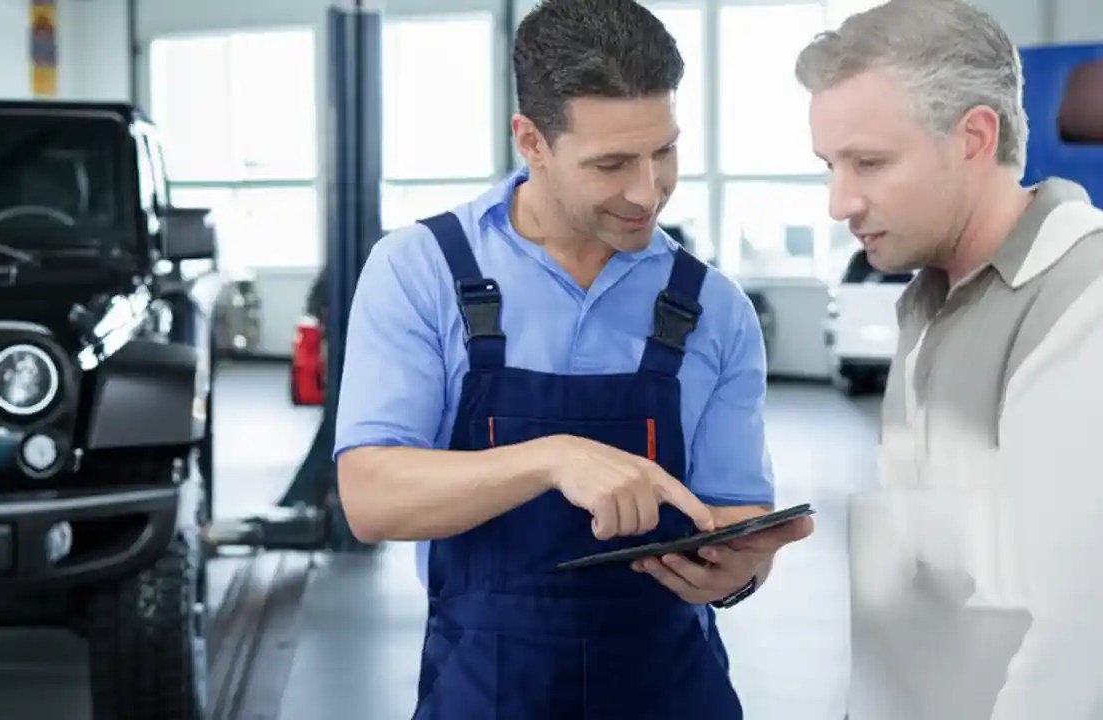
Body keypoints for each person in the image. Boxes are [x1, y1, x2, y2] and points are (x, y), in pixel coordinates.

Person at [333, 0, 814, 717]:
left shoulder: (715, 308)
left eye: (665, 152)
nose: (647, 191)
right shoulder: (420, 271)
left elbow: (737, 504)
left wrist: (737, 572)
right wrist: (551, 458)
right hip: (490, 686)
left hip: (670, 684)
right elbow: (369, 498)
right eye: (612, 163)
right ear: (531, 141)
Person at [796, 1, 1103, 717]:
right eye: (829, 166)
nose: (840, 202)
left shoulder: (1081, 306)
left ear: (973, 137)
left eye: (869, 162)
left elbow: (1067, 643)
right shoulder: (929, 300)